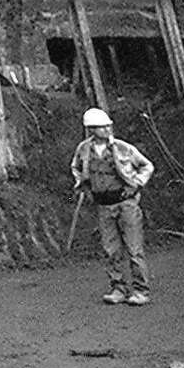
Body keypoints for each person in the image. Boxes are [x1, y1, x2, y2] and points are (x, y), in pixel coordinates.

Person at [70, 107, 155, 306]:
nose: (107, 129)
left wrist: (136, 184)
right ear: (92, 129)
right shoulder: (84, 149)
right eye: (102, 127)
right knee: (111, 250)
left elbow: (147, 165)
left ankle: (141, 290)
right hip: (103, 205)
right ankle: (118, 288)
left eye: (108, 126)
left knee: (134, 249)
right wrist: (83, 185)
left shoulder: (122, 147)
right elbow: (76, 167)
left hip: (125, 203)